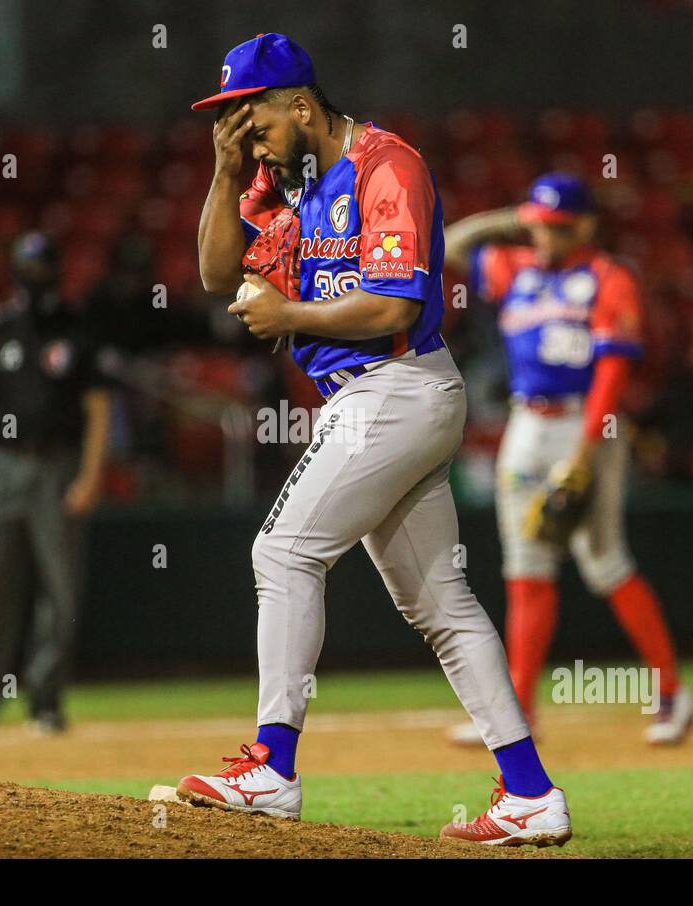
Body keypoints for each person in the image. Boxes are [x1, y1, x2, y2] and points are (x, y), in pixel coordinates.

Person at [176, 33, 571, 847]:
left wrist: (290, 316)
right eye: (231, 125)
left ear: (300, 103)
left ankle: (271, 767)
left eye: (250, 118)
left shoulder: (387, 166)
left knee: (282, 554)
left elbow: (392, 307)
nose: (244, 135)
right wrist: (222, 173)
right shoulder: (279, 182)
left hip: (398, 384)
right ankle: (530, 793)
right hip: (381, 397)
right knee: (439, 604)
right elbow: (218, 274)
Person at [444, 173, 693, 747]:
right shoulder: (516, 266)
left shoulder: (609, 278)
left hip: (589, 425)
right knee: (525, 569)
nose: (546, 235)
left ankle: (673, 694)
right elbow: (452, 247)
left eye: (558, 226)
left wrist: (584, 454)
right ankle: (519, 713)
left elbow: (613, 370)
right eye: (540, 225)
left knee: (606, 563)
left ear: (585, 225)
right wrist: (515, 216)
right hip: (526, 424)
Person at [0, 232, 112, 734]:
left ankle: (45, 700)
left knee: (60, 590)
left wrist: (90, 474)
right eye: (27, 268)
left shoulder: (77, 331)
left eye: (42, 268)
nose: (35, 278)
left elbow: (98, 410)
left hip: (56, 467)